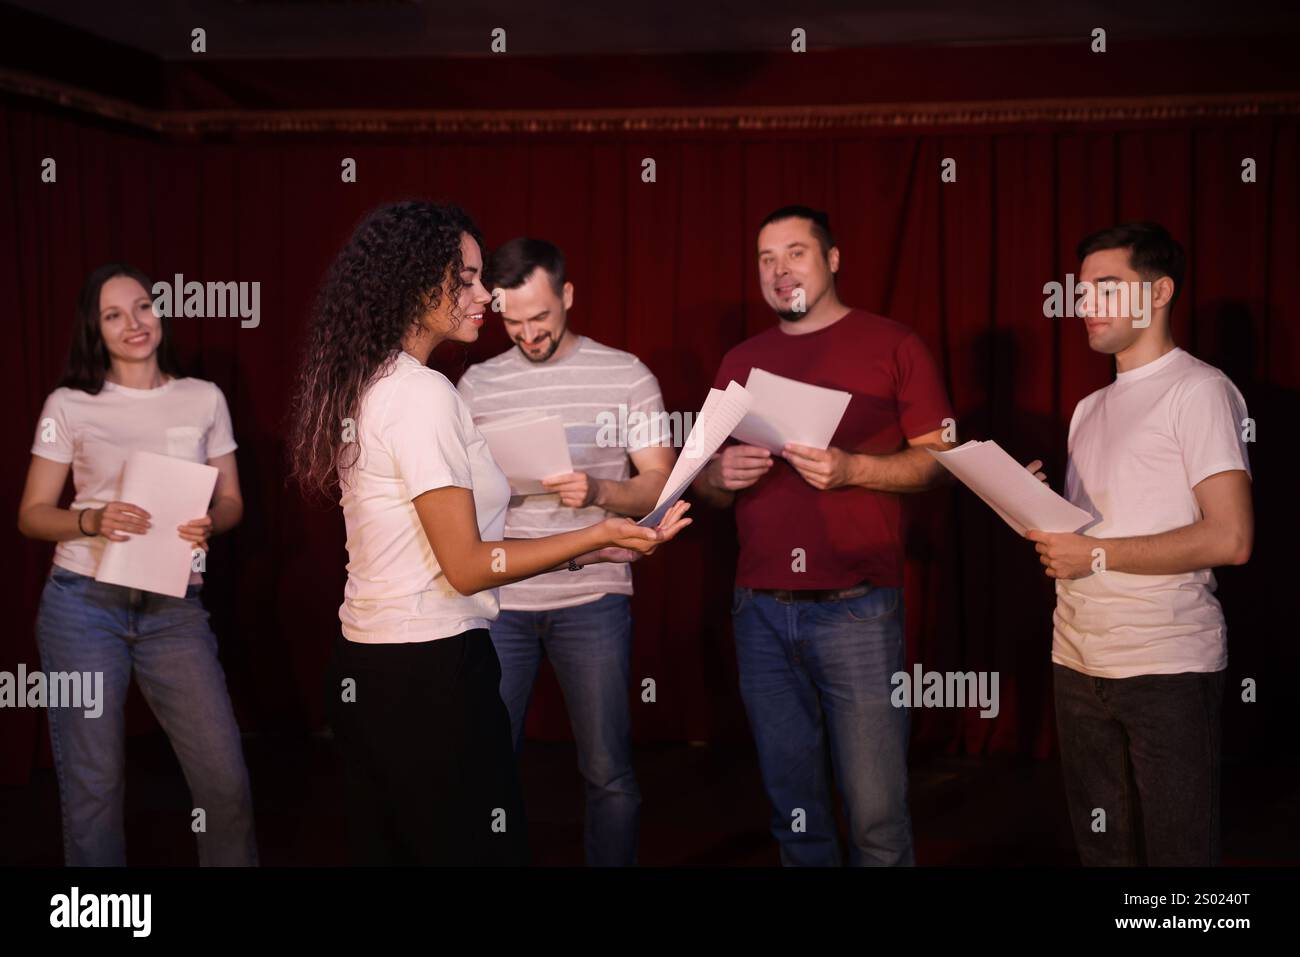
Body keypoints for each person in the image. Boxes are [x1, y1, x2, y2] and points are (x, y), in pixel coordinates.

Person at [286, 202, 690, 866]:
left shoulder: (375, 380)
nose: (485, 296)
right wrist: (596, 536)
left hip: (375, 663)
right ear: (417, 283)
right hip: (428, 671)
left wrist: (598, 511)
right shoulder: (425, 393)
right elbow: (468, 566)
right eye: (467, 278)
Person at [691, 205, 955, 866]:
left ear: (833, 259)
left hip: (857, 608)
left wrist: (852, 468)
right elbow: (703, 486)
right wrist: (723, 473)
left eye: (795, 253)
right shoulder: (741, 359)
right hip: (759, 609)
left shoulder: (894, 344)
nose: (780, 272)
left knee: (875, 814)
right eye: (765, 259)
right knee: (796, 812)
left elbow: (940, 460)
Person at [1025, 222, 1253, 866]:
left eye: (1106, 287)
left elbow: (1231, 537)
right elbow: (1095, 533)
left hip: (1165, 668)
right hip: (1075, 659)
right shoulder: (1088, 407)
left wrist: (1095, 555)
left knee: (1179, 868)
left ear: (1158, 294)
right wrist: (1035, 508)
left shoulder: (1200, 390)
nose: (1085, 304)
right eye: (1080, 290)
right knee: (1104, 852)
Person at [17, 262, 257, 866]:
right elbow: (31, 514)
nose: (134, 323)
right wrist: (90, 520)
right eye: (114, 315)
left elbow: (231, 502)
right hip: (82, 603)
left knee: (223, 777)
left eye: (144, 306)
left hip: (174, 606)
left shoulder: (204, 397)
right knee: (95, 786)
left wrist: (213, 520)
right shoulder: (69, 404)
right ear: (95, 332)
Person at [457, 238, 674, 866]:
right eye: (513, 321)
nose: (527, 334)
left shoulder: (626, 374)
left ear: (568, 296)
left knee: (607, 768)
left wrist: (600, 489)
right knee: (490, 764)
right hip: (503, 595)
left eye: (540, 318)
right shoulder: (476, 383)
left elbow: (659, 484)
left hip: (593, 595)